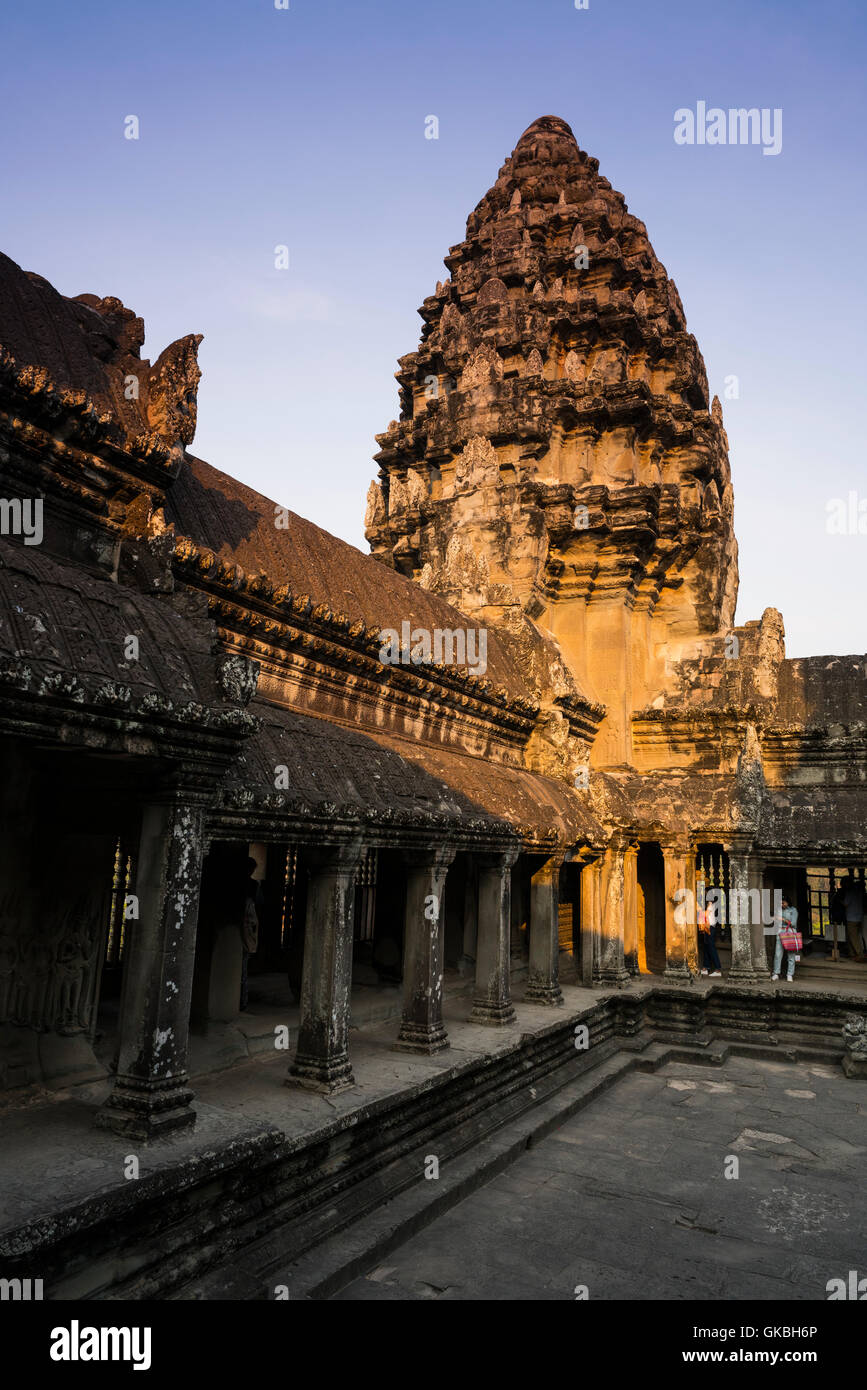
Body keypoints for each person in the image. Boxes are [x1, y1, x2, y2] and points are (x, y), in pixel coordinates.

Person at [239, 857, 264, 1011]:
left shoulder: (253, 886)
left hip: (246, 927)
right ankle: (242, 1000)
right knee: (242, 969)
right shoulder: (252, 886)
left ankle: (243, 1000)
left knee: (243, 968)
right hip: (244, 927)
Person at [771, 892, 799, 982]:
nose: (781, 904)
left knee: (791, 955)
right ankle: (776, 973)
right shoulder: (778, 910)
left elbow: (794, 923)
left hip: (790, 932)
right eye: (780, 903)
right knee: (778, 954)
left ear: (788, 902)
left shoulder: (793, 910)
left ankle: (790, 974)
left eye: (783, 902)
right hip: (780, 931)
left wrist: (783, 919)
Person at [840, 876, 867, 963]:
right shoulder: (859, 891)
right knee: (855, 936)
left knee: (853, 937)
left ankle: (860, 954)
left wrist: (839, 900)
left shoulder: (849, 892)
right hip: (859, 916)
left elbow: (845, 904)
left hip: (852, 918)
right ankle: (852, 954)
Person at [697, 901, 722, 977]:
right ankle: (705, 968)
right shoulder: (709, 904)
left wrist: (698, 909)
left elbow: (706, 914)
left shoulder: (711, 904)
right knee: (706, 947)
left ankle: (718, 969)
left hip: (710, 928)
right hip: (708, 927)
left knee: (711, 947)